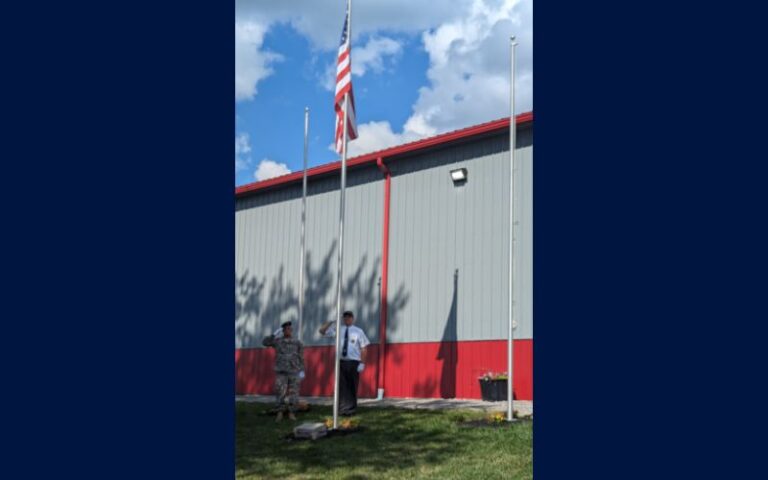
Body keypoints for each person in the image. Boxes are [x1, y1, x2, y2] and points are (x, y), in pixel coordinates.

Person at [319, 311, 370, 416]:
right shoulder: (338, 330)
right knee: (341, 386)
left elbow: (364, 348)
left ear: (353, 318)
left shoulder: (358, 331)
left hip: (353, 362)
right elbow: (322, 331)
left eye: (349, 317)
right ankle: (341, 408)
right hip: (341, 362)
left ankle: (350, 409)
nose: (347, 319)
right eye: (345, 317)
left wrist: (362, 363)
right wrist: (331, 321)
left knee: (351, 386)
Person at [262, 320, 305, 422]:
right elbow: (265, 342)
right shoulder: (277, 341)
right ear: (282, 331)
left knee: (294, 393)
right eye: (286, 329)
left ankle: (291, 412)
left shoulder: (297, 342)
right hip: (281, 371)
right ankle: (280, 412)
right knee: (280, 392)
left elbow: (301, 356)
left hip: (294, 370)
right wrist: (274, 334)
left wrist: (302, 370)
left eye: (290, 329)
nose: (288, 331)